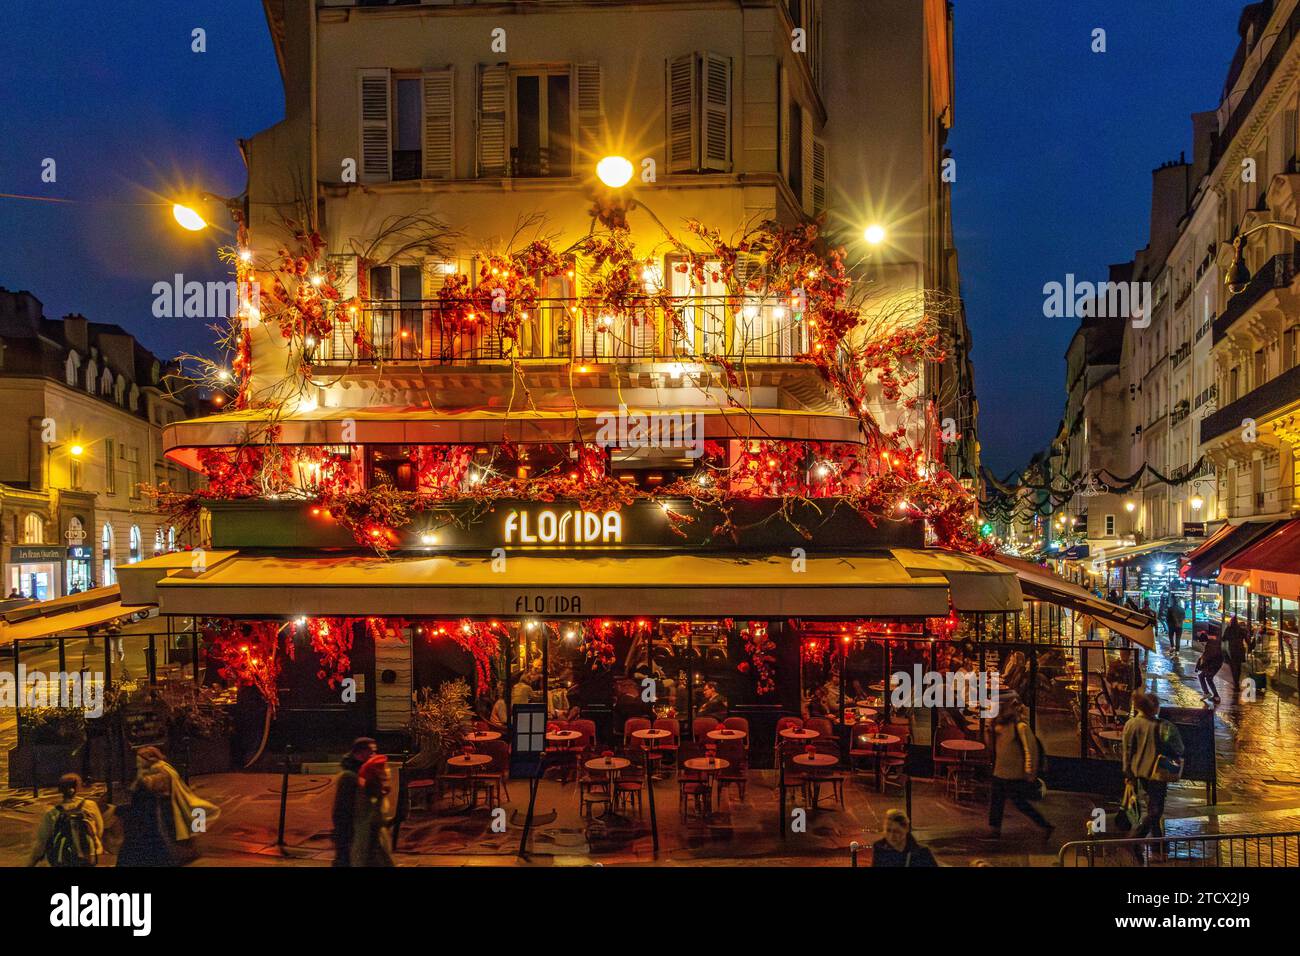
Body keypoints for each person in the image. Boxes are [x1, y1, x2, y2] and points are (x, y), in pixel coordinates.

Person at [1121, 691, 1184, 844]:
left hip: (1137, 771)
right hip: (1158, 772)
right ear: (1155, 707)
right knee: (1156, 809)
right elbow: (1179, 748)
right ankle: (1137, 837)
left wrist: (1127, 771)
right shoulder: (1164, 727)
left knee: (1152, 805)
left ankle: (1158, 842)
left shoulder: (1130, 724)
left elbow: (1126, 750)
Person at [988, 702, 1053, 838]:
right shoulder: (997, 728)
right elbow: (992, 746)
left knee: (1019, 803)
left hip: (1014, 774)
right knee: (997, 801)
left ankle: (1045, 825)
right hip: (1000, 771)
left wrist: (1030, 771)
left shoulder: (1020, 727)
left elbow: (1030, 750)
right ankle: (995, 829)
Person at [27, 773, 103, 867]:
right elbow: (99, 830)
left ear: (60, 790)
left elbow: (41, 843)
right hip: (87, 857)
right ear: (78, 788)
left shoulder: (52, 813)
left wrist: (31, 863)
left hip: (63, 860)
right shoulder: (90, 806)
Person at [332, 737, 377, 867]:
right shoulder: (349, 776)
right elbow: (342, 808)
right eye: (371, 751)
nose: (373, 755)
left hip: (360, 827)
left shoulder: (362, 772)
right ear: (361, 752)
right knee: (346, 860)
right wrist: (344, 831)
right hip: (350, 829)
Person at [350, 754, 396, 867]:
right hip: (370, 837)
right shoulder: (370, 791)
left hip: (373, 836)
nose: (387, 770)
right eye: (383, 767)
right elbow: (373, 818)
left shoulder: (375, 789)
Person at [871, 809, 937, 867]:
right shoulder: (880, 849)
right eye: (888, 830)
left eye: (896, 831)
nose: (891, 836)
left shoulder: (921, 854)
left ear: (906, 829)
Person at [1223, 614, 1251, 695]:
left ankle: (1236, 683)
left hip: (1232, 650)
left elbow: (1224, 638)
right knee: (1238, 667)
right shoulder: (1242, 630)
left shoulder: (1229, 629)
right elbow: (1248, 642)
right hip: (1241, 650)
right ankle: (1237, 682)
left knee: (1233, 666)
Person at [1195, 633, 1225, 703]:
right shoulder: (1209, 644)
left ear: (1204, 641)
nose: (1202, 644)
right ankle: (1207, 693)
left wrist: (1200, 667)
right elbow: (1204, 657)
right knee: (1202, 676)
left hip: (1215, 665)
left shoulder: (1211, 646)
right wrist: (1199, 666)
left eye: (1202, 643)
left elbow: (1208, 658)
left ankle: (1216, 696)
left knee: (1208, 678)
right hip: (1212, 664)